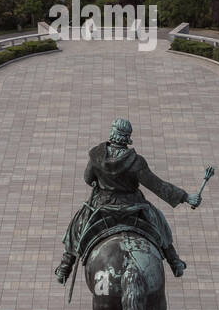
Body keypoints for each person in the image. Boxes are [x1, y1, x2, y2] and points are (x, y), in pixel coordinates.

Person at [54, 118, 196, 285]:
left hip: (102, 205)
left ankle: (65, 266)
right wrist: (186, 197)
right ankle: (174, 261)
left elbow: (87, 178)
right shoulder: (136, 162)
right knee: (158, 220)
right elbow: (157, 186)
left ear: (112, 134)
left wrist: (99, 181)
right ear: (128, 137)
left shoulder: (96, 156)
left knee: (78, 223)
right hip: (133, 206)